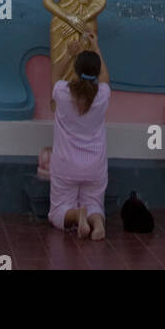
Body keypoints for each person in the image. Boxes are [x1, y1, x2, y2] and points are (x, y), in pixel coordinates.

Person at [48, 33, 111, 240]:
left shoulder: (63, 92)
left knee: (58, 211)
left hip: (66, 165)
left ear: (76, 70)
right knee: (94, 202)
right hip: (95, 165)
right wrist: (96, 47)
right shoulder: (102, 95)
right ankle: (97, 222)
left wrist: (68, 54)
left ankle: (77, 216)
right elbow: (105, 78)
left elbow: (55, 76)